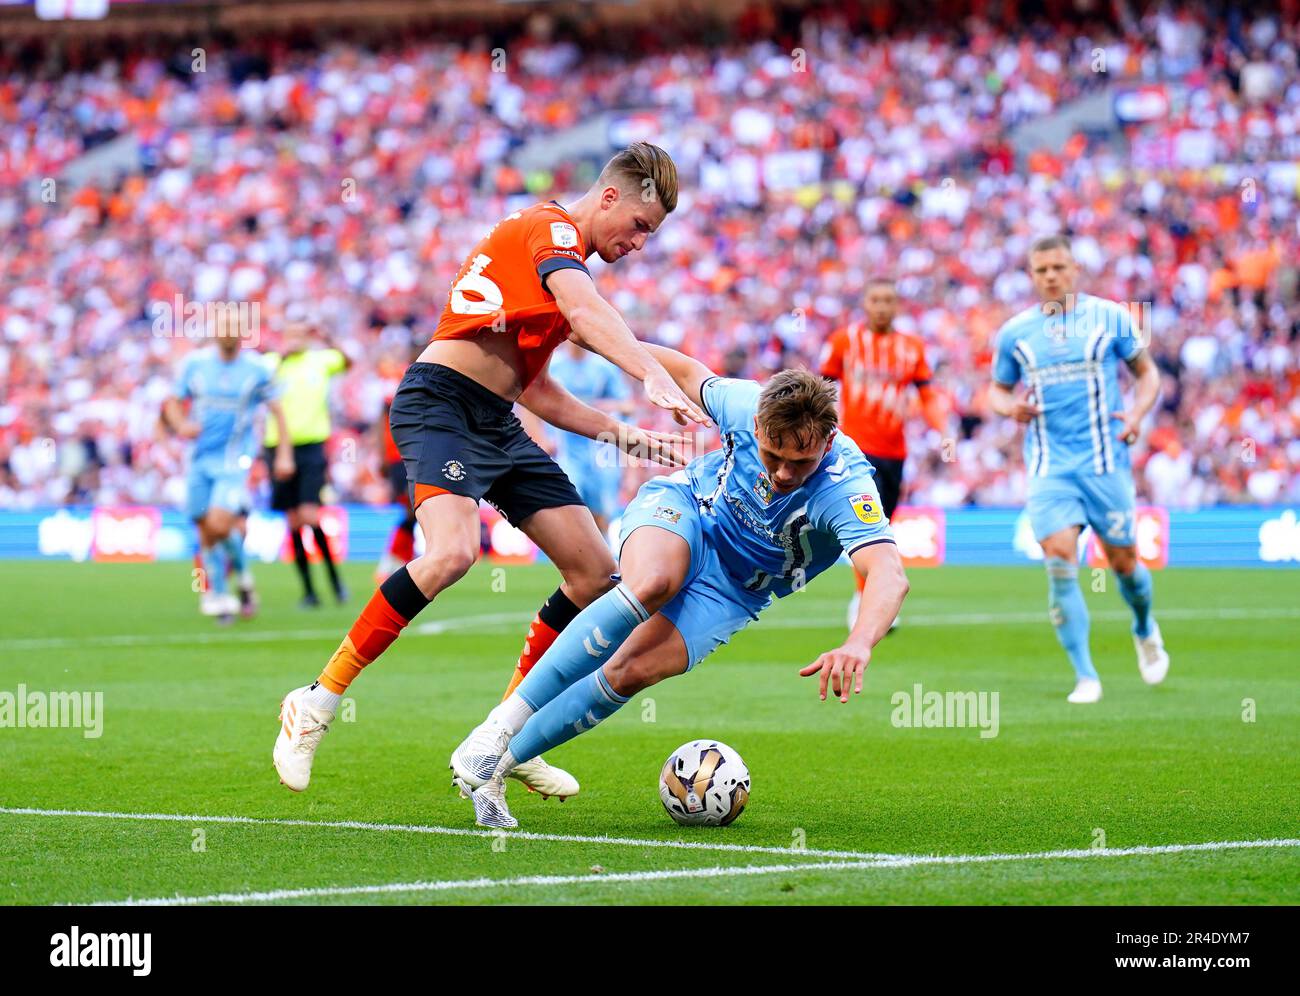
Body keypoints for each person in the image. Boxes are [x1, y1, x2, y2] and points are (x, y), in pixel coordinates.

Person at [273, 142, 708, 799]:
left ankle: (502, 737)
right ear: (610, 197)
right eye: (642, 226)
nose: (642, 242)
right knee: (451, 555)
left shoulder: (564, 271)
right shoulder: (550, 231)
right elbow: (591, 318)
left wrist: (628, 436)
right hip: (440, 406)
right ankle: (316, 699)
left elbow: (535, 392)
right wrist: (645, 374)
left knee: (596, 575)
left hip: (497, 420)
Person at [451, 352, 909, 828]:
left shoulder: (844, 487)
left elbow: (888, 573)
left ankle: (498, 766)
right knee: (652, 582)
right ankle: (496, 728)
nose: (784, 475)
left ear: (829, 440)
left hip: (735, 590)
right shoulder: (742, 402)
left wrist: (859, 641)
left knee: (630, 671)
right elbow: (689, 373)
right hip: (688, 510)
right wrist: (617, 348)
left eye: (801, 462)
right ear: (755, 425)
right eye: (773, 456)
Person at [989, 235, 1169, 704]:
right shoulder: (1015, 333)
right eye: (1040, 269)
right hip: (1050, 468)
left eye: (1058, 267)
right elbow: (995, 390)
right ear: (1031, 275)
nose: (1050, 276)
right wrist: (1009, 408)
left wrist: (1135, 414)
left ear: (1075, 269)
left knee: (1124, 564)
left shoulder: (1110, 317)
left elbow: (1148, 373)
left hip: (1105, 463)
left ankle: (1145, 627)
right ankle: (1086, 675)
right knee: (1060, 558)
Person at [819, 278, 946, 628]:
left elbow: (928, 394)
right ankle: (864, 598)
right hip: (854, 448)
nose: (881, 307)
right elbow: (825, 387)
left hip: (894, 451)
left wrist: (943, 429)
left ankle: (868, 597)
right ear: (865, 303)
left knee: (883, 523)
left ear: (897, 306)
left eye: (888, 300)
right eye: (875, 300)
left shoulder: (912, 348)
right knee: (865, 523)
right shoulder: (844, 341)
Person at [163, 319, 294, 624]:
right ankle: (238, 584)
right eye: (222, 329)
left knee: (220, 523)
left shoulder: (257, 368)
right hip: (198, 459)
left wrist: (284, 454)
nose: (227, 334)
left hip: (235, 460)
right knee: (205, 526)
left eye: (233, 329)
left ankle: (218, 594)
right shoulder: (195, 364)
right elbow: (171, 402)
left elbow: (277, 410)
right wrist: (181, 425)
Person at [263, 315, 352, 608]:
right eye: (292, 334)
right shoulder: (272, 364)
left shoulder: (320, 360)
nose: (296, 339)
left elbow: (347, 361)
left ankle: (335, 582)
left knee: (310, 516)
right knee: (293, 521)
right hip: (277, 447)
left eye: (302, 333)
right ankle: (309, 591)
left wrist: (327, 335)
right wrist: (281, 355)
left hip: (312, 448)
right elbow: (257, 385)